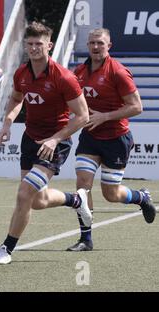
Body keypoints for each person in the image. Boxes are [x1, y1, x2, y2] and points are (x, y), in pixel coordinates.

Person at [0, 22, 91, 265]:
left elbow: (83, 116)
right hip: (30, 139)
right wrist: (7, 123)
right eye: (30, 44)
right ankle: (76, 200)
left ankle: (6, 249)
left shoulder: (64, 77)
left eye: (39, 44)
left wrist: (55, 139)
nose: (34, 48)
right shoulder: (21, 73)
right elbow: (16, 98)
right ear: (25, 45)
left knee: (23, 195)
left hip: (54, 142)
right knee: (37, 200)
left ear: (49, 46)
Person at [66, 28, 156, 252]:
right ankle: (86, 239)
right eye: (92, 43)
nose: (96, 47)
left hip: (116, 138)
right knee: (82, 185)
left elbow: (137, 107)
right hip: (90, 136)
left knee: (111, 194)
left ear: (109, 46)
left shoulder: (118, 72)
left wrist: (104, 117)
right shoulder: (79, 71)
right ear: (87, 46)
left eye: (100, 43)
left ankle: (141, 197)